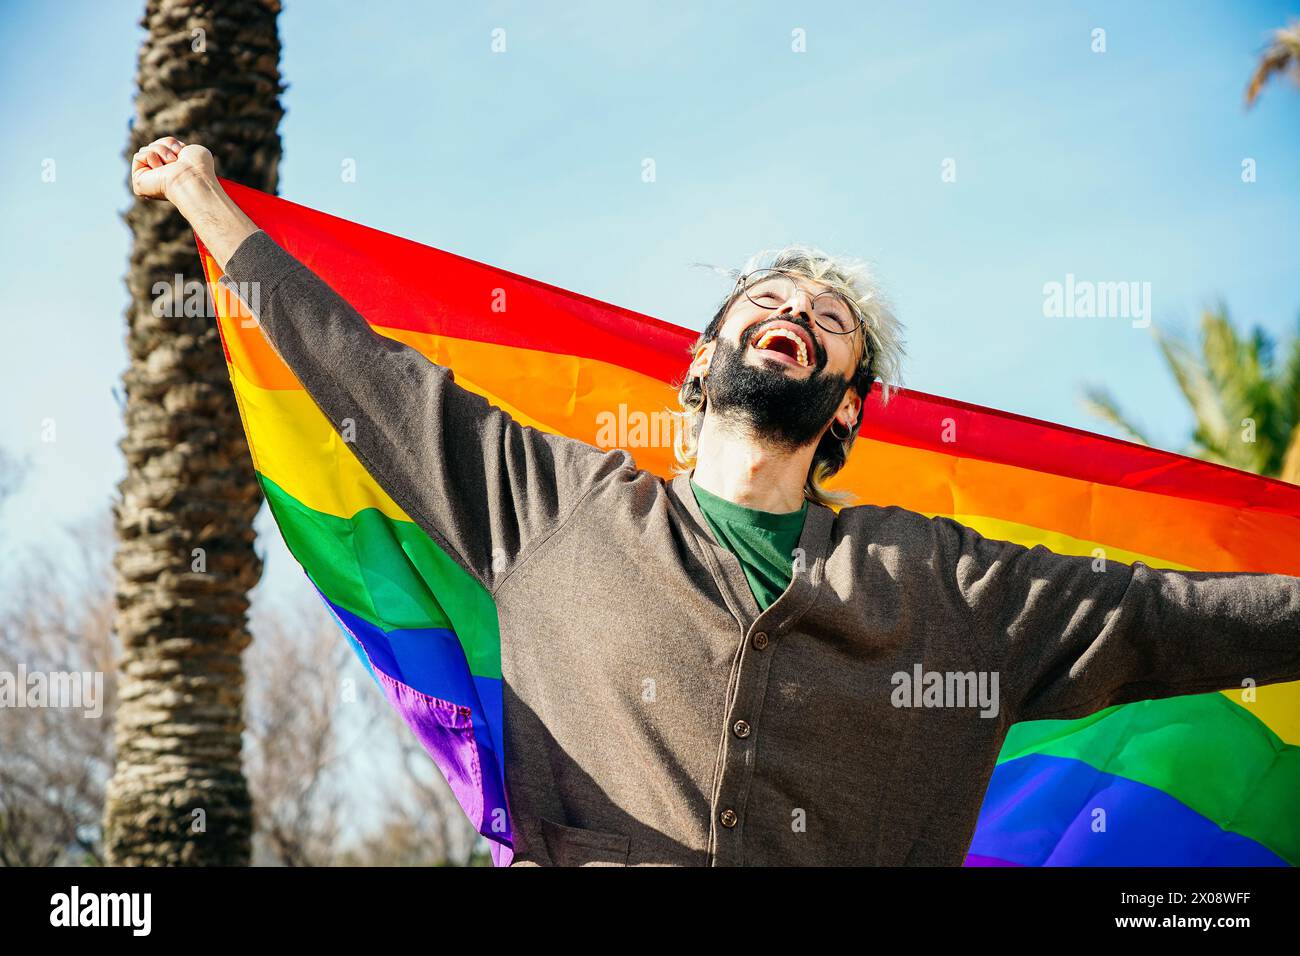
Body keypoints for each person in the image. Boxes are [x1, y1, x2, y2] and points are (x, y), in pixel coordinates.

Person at [132, 136, 1300, 866]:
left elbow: (1164, 616)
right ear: (701, 364)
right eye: (768, 300)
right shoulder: (551, 505)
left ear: (846, 406)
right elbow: (370, 378)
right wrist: (216, 217)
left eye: (828, 320)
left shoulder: (944, 585)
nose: (796, 311)